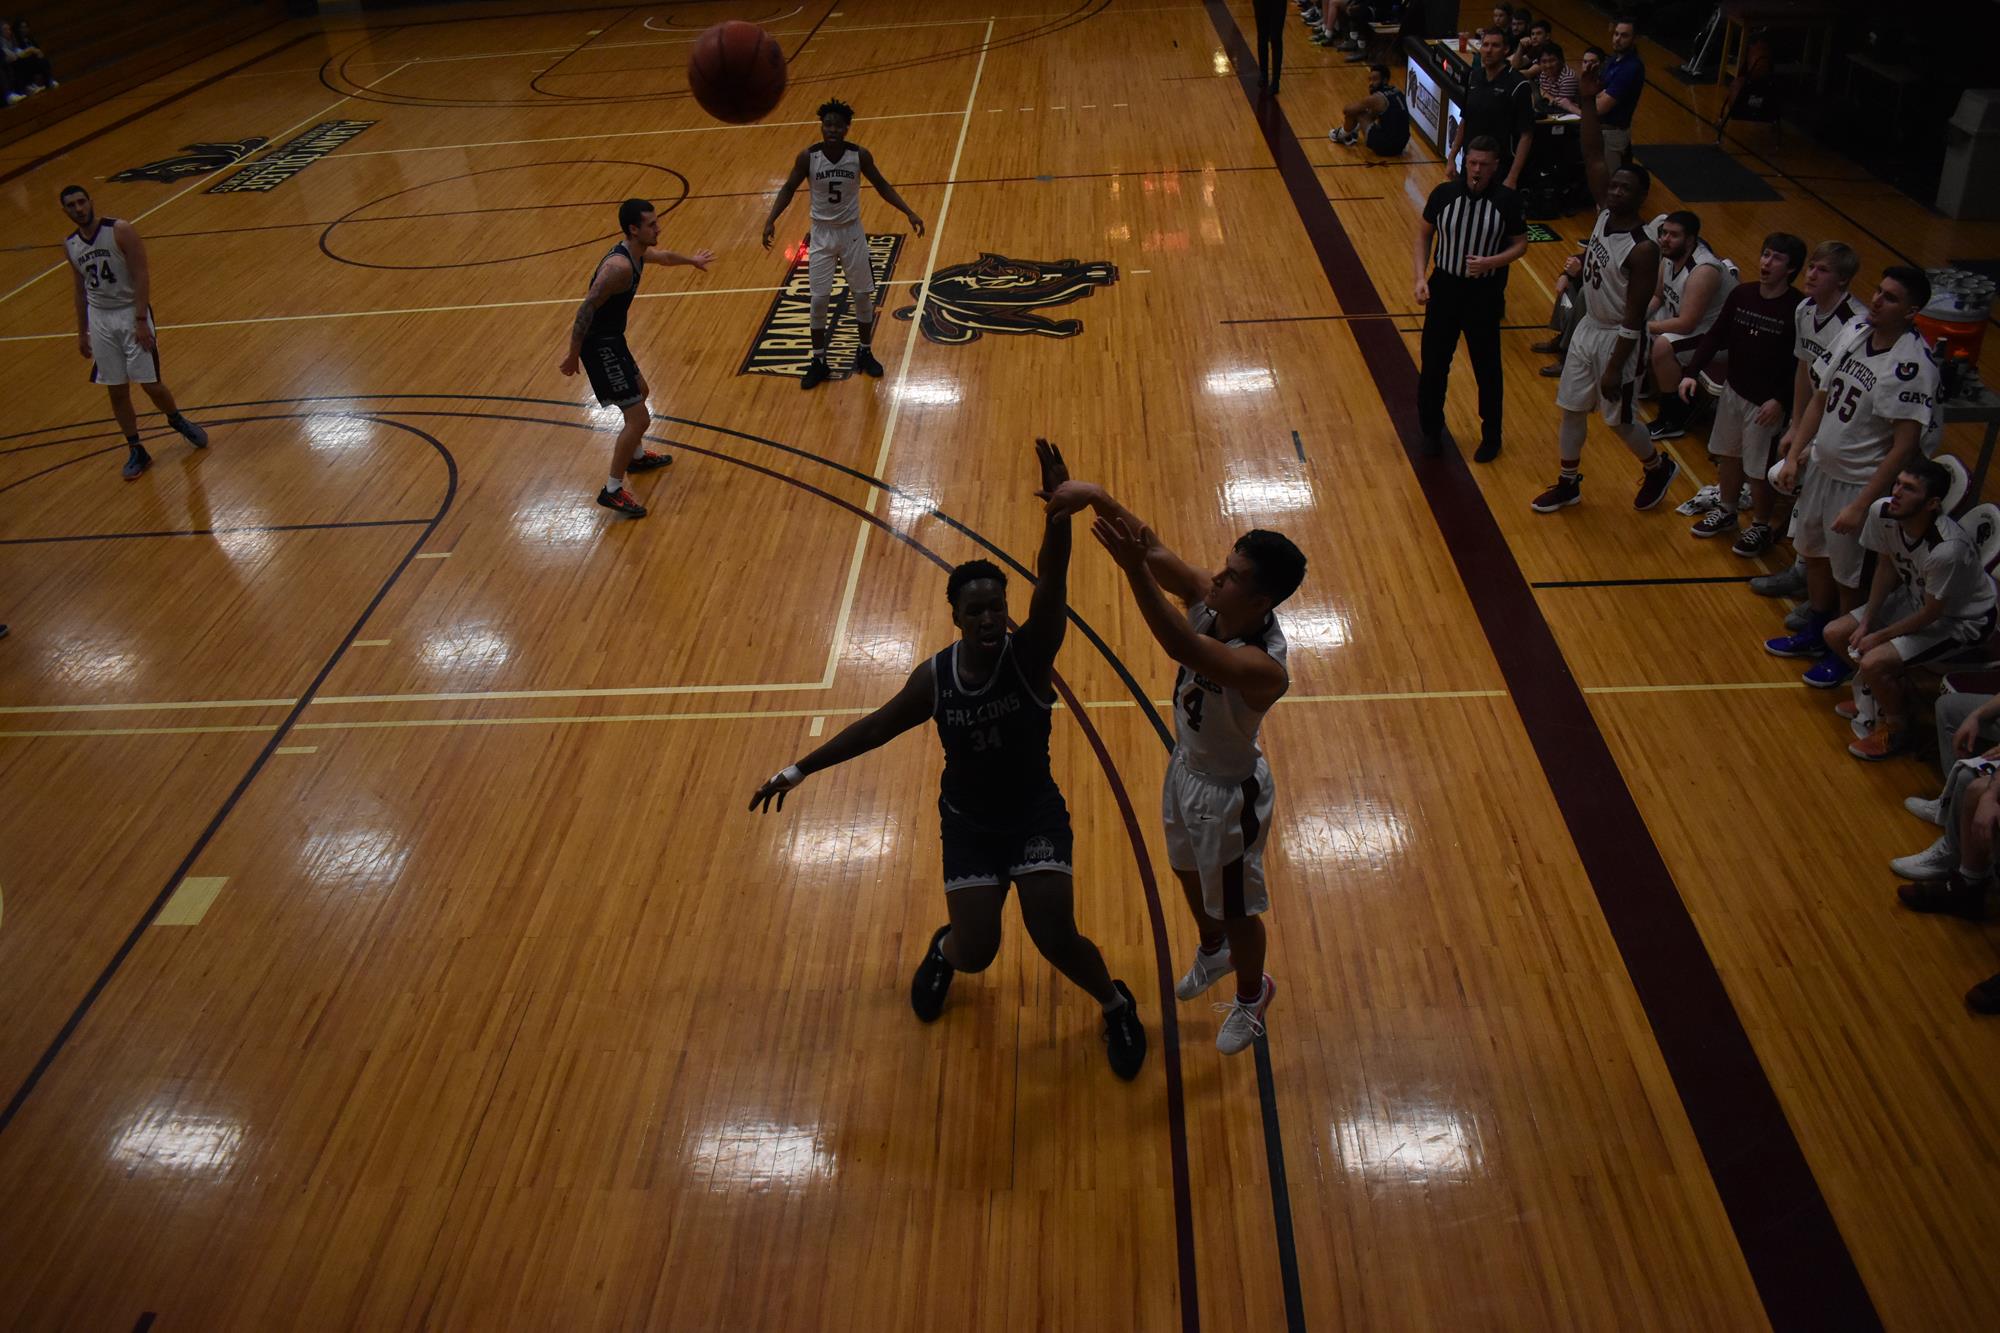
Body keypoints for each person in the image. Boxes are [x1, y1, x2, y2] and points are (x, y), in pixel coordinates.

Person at [748, 442, 1146, 1076]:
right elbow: (877, 726)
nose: (991, 617)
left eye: (997, 605)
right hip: (967, 823)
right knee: (977, 951)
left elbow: (1054, 583)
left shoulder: (1031, 654)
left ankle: (1114, 1003)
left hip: (1032, 816)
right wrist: (798, 770)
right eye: (977, 609)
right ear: (957, 617)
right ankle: (944, 951)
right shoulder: (936, 678)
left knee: (1054, 935)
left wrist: (1059, 516)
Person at [1043, 480, 1305, 1055]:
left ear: (1261, 602)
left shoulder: (1264, 667)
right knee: (1186, 871)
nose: (1217, 578)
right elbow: (1153, 546)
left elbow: (1182, 647)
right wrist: (1094, 495)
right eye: (1225, 566)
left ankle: (1251, 991)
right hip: (1186, 767)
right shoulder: (1214, 600)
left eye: (1233, 576)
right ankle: (1211, 951)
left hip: (1231, 794)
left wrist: (1133, 569)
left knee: (1237, 907)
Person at [1764, 267, 1943, 687]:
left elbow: (1905, 447)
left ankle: (1843, 653)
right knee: (1815, 552)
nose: (1877, 300)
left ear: (1912, 311)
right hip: (1824, 468)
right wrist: (1795, 453)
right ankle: (1819, 627)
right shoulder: (1856, 331)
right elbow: (1819, 398)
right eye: (1878, 292)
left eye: (1891, 298)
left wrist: (1863, 504)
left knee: (1850, 573)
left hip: (1860, 483)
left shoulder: (1912, 365)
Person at [1531, 65, 1676, 515]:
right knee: (1572, 408)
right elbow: (1593, 153)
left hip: (1620, 339)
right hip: (1589, 327)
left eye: (1623, 188)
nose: (1613, 190)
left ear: (1639, 198)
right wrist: (1589, 102)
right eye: (1613, 185)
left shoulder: (1643, 248)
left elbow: (1635, 318)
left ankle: (1657, 466)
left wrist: (1616, 367)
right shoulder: (1602, 216)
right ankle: (1568, 483)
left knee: (1619, 420)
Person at [1821, 460, 1997, 758]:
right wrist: (1867, 622)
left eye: (1909, 488)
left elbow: (1932, 614)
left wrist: (1879, 636)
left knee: (1874, 661)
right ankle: (1882, 696)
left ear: (1932, 503)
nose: (1897, 492)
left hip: (1962, 620)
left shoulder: (1946, 550)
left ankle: (1900, 728)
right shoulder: (1883, 511)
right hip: (1916, 597)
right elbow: (1887, 565)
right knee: (1836, 633)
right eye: (1898, 483)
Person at [558, 198, 714, 519]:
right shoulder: (619, 268)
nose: (658, 228)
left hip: (613, 338)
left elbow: (665, 256)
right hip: (598, 345)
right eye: (652, 224)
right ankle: (612, 490)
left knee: (641, 393)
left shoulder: (637, 252)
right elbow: (586, 308)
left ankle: (636, 456)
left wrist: (692, 260)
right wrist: (573, 354)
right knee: (639, 417)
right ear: (633, 229)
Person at [760, 98, 927, 391]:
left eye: (838, 125)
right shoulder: (808, 157)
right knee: (819, 300)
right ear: (822, 127)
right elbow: (787, 188)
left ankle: (864, 351)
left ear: (847, 128)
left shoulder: (859, 155)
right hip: (822, 235)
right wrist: (770, 218)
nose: (833, 129)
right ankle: (819, 360)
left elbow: (882, 185)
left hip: (851, 233)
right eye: (828, 125)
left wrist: (909, 212)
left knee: (863, 296)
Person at [59, 186, 209, 480]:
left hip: (130, 312)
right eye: (71, 205)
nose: (78, 208)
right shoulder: (71, 245)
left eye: (81, 202)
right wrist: (82, 332)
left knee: (150, 384)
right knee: (116, 390)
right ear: (65, 211)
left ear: (90, 202)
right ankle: (136, 448)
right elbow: (79, 289)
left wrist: (141, 318)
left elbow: (141, 273)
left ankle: (176, 419)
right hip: (100, 318)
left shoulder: (120, 230)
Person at [1673, 232, 1806, 550]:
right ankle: (1727, 510)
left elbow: (1801, 366)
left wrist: (1781, 400)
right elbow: (1716, 334)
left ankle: (1760, 525)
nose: (1766, 262)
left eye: (1776, 258)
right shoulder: (1743, 295)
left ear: (1791, 268)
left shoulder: (1798, 309)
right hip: (1733, 391)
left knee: (1758, 468)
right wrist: (1691, 372)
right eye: (1765, 254)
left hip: (1766, 404)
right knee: (1727, 456)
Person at [1753, 241, 1862, 601]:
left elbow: (1836, 394)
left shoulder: (1851, 327)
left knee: (1813, 505)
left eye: (1823, 270)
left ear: (1843, 281)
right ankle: (1805, 571)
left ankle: (1815, 584)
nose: (1812, 274)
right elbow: (1804, 370)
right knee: (1794, 489)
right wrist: (1796, 425)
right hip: (1814, 418)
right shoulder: (1804, 309)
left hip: (1839, 429)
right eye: (1812, 267)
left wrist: (1809, 442)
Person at [1413, 136, 1529, 461]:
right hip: (1445, 288)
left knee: (1487, 368)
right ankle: (1431, 430)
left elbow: (1521, 243)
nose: (1476, 170)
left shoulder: (1507, 201)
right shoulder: (1443, 194)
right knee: (1434, 365)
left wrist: (1492, 262)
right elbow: (1424, 234)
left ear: (1496, 167)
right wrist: (1420, 277)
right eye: (1472, 162)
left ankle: (1492, 436)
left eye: (1484, 165)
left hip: (1483, 295)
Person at [1643, 211, 1737, 438]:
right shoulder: (1668, 257)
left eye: (1673, 235)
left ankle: (1672, 418)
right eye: (1664, 233)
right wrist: (1636, 318)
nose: (1665, 239)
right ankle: (1645, 384)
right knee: (1636, 318)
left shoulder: (1703, 270)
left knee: (1664, 345)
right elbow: (1657, 296)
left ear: (1690, 239)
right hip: (1694, 326)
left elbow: (1685, 324)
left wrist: (1642, 328)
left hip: (1720, 338)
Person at [1449, 29, 1535, 191]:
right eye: (1485, 45)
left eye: (1495, 46)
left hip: (1500, 168)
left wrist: (1512, 177)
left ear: (1506, 50)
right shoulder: (1474, 76)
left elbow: (1527, 135)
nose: (1488, 50)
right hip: (1470, 164)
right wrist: (1452, 157)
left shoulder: (1518, 84)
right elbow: (1465, 120)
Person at [1595, 17, 1645, 180]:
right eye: (1616, 34)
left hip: (1612, 135)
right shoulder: (1612, 61)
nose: (1618, 39)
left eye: (1624, 36)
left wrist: (1594, 97)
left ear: (1634, 39)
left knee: (1609, 186)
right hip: (1601, 130)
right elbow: (1598, 90)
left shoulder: (1630, 68)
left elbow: (1601, 106)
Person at [1328, 63, 1411, 156]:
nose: (1371, 83)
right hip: (1402, 144)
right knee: (1376, 112)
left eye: (1375, 79)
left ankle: (1341, 135)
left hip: (1386, 147)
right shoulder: (1397, 90)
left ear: (1385, 80)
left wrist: (1358, 109)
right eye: (1370, 80)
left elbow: (1347, 110)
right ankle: (1354, 131)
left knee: (1357, 112)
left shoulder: (1376, 99)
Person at [1534, 42, 1580, 113]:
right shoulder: (1544, 73)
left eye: (1552, 60)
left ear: (1561, 60)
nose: (1548, 65)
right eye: (1544, 61)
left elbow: (1561, 107)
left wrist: (1545, 94)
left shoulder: (1568, 78)